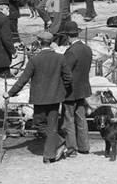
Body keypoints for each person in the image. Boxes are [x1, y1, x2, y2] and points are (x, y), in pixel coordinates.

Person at [8, 31, 67, 162]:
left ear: (39, 43)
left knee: (38, 123)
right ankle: (58, 142)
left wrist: (10, 93)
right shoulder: (60, 58)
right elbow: (68, 78)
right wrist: (62, 90)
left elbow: (23, 80)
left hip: (40, 98)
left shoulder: (35, 59)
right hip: (55, 97)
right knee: (52, 126)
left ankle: (49, 155)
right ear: (51, 43)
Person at [57, 19, 92, 156]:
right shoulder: (87, 49)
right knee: (81, 118)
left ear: (67, 36)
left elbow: (66, 72)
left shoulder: (71, 52)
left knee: (69, 120)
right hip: (83, 89)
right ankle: (84, 146)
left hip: (71, 91)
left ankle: (71, 148)